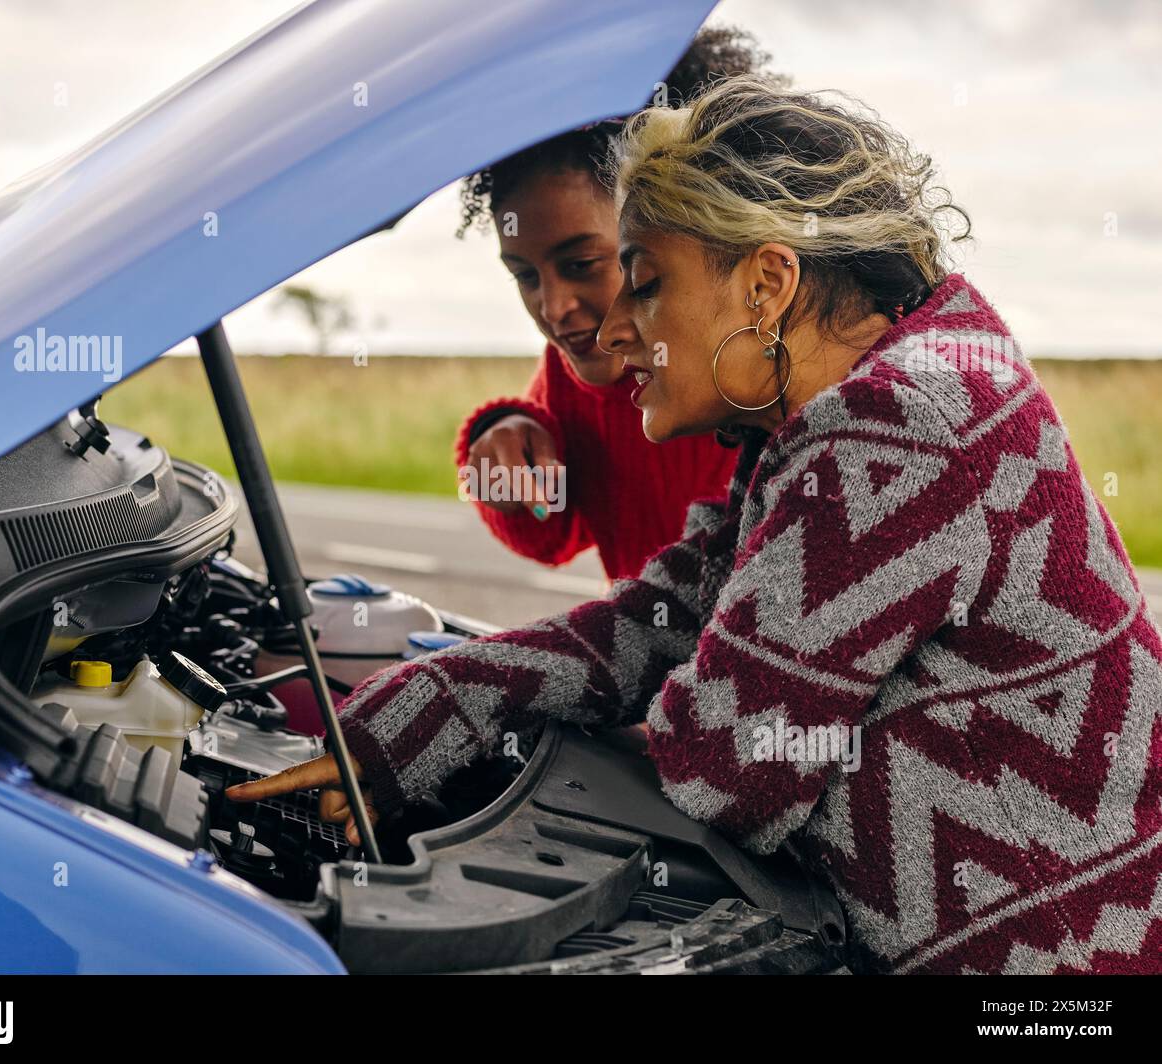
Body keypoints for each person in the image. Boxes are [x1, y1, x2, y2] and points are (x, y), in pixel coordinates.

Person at [231, 77, 1162, 974]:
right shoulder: (880, 388)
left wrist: (509, 736)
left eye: (646, 286)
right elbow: (662, 618)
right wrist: (429, 710)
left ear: (765, 284)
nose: (617, 329)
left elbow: (726, 765)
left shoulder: (895, 430)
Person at [453, 28, 775, 581]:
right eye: (524, 275)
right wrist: (506, 442)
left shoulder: (782, 366)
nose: (553, 308)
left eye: (583, 264)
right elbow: (549, 531)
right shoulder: (570, 378)